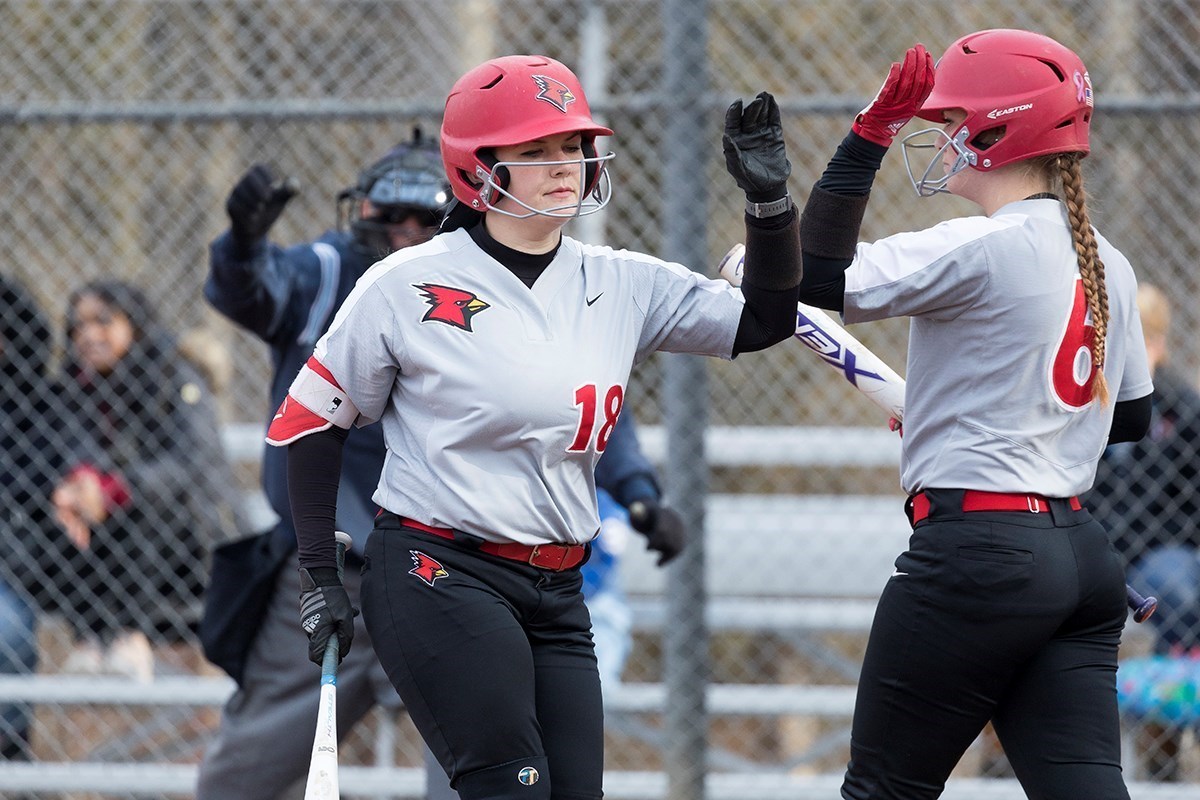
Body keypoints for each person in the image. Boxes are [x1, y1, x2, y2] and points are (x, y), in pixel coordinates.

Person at [268, 53, 800, 800]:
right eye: (535, 149)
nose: (564, 164)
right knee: (512, 785)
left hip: (558, 585)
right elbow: (308, 424)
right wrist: (319, 574)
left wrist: (770, 206)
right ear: (478, 168)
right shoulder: (404, 281)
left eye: (573, 145)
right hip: (438, 569)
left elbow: (766, 320)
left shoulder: (621, 279)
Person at [197, 132, 685, 800]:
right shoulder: (332, 271)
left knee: (479, 778)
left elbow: (574, 398)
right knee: (242, 775)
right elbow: (251, 291)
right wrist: (241, 243)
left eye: (422, 219)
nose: (404, 235)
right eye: (388, 217)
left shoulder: (504, 279)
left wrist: (636, 488)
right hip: (338, 568)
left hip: (464, 578)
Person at [794, 30, 1153, 799]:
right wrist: (962, 411)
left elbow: (815, 279)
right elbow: (1128, 419)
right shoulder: (1111, 260)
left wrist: (866, 138)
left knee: (883, 790)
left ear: (998, 131)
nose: (943, 136)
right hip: (1079, 558)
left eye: (955, 120)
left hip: (980, 556)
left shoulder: (982, 244)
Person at [50, 280, 241, 681]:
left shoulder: (174, 376)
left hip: (189, 538)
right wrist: (81, 482)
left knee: (143, 504)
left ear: (133, 325)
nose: (88, 335)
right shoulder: (74, 386)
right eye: (78, 325)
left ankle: (129, 636)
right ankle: (89, 640)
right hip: (109, 535)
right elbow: (70, 445)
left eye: (103, 321)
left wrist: (113, 489)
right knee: (68, 507)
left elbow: (190, 466)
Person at [1090, 283, 1200, 780]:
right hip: (1094, 541)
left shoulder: (1183, 410)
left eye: (1142, 341)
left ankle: (1163, 739)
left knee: (1178, 591)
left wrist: (1130, 539)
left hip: (1159, 550)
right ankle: (1006, 751)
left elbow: (1188, 508)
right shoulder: (1090, 396)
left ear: (1157, 344)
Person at [0, 275, 71, 761]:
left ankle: (10, 752)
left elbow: (37, 483)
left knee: (6, 626)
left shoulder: (39, 404)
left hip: (15, 566)